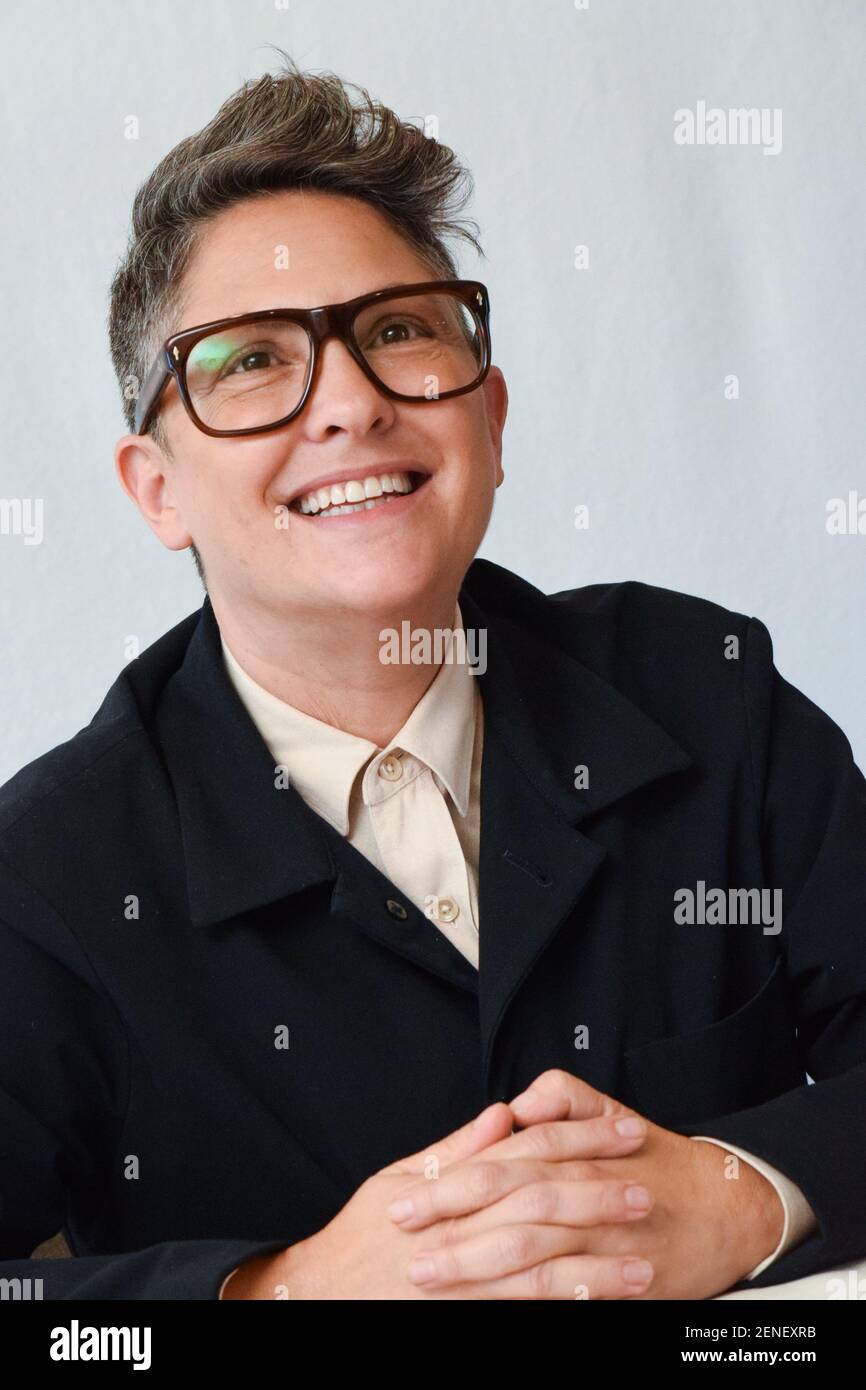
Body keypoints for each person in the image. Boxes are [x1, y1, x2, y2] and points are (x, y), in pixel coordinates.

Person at [1, 51, 864, 1301]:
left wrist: (741, 1191)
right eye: (249, 359)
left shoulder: (708, 697)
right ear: (158, 489)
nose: (347, 403)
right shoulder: (50, 878)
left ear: (490, 420)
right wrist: (278, 1292)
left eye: (398, 330)